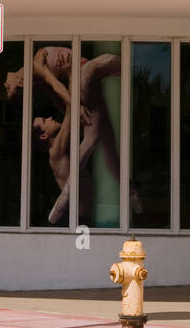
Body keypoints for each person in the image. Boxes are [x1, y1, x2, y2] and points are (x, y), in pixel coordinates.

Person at [32, 53, 122, 224]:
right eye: (45, 121)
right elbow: (70, 112)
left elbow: (69, 112)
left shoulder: (61, 150)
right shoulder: (56, 152)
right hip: (79, 219)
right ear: (44, 136)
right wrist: (71, 74)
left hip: (84, 216)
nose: (50, 118)